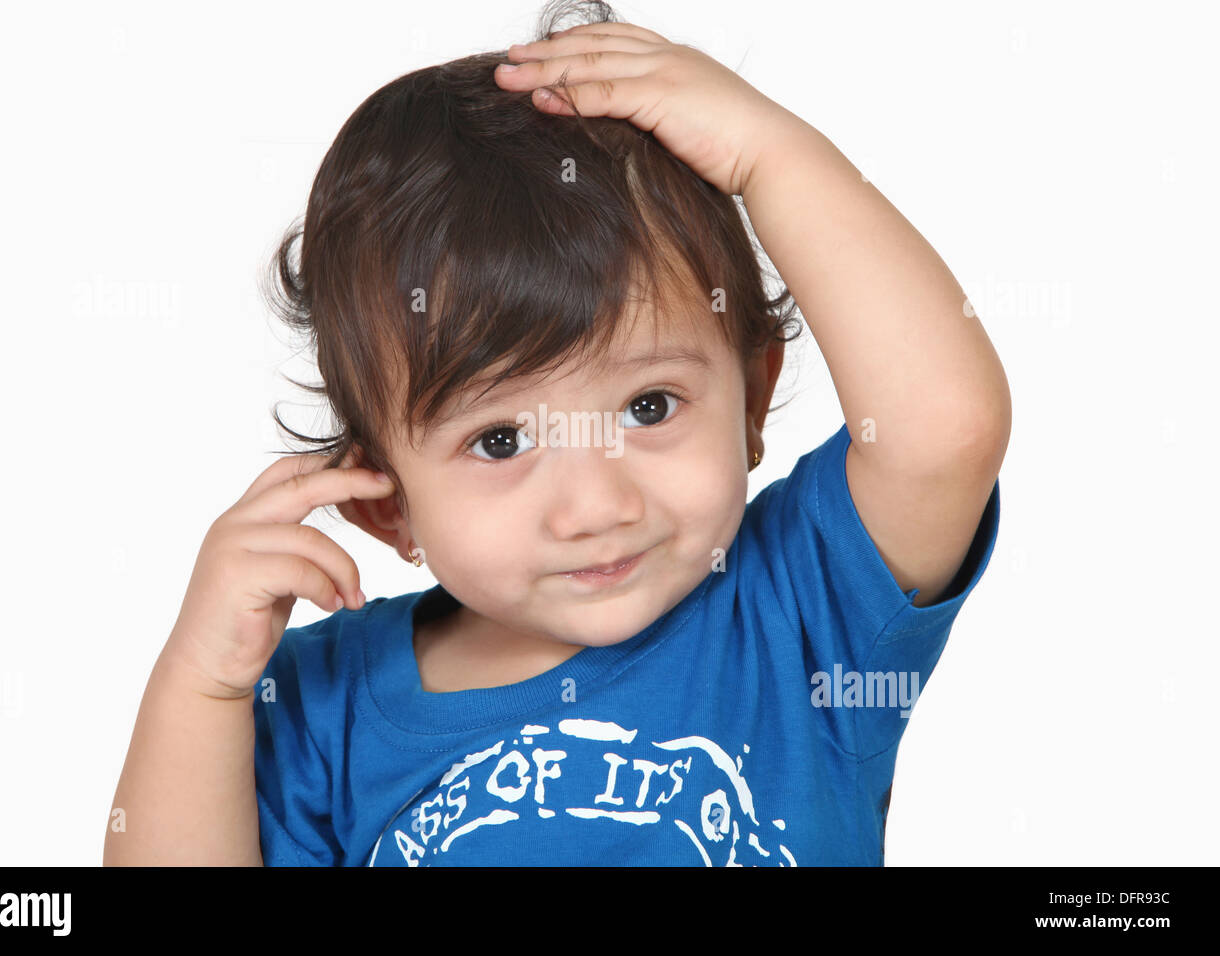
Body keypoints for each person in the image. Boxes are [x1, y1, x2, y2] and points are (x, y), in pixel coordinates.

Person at [105, 0, 1008, 867]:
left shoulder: (797, 613)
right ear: (387, 506)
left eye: (649, 407)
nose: (595, 505)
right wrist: (202, 685)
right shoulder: (322, 708)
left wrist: (772, 156)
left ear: (749, 402)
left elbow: (944, 429)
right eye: (501, 441)